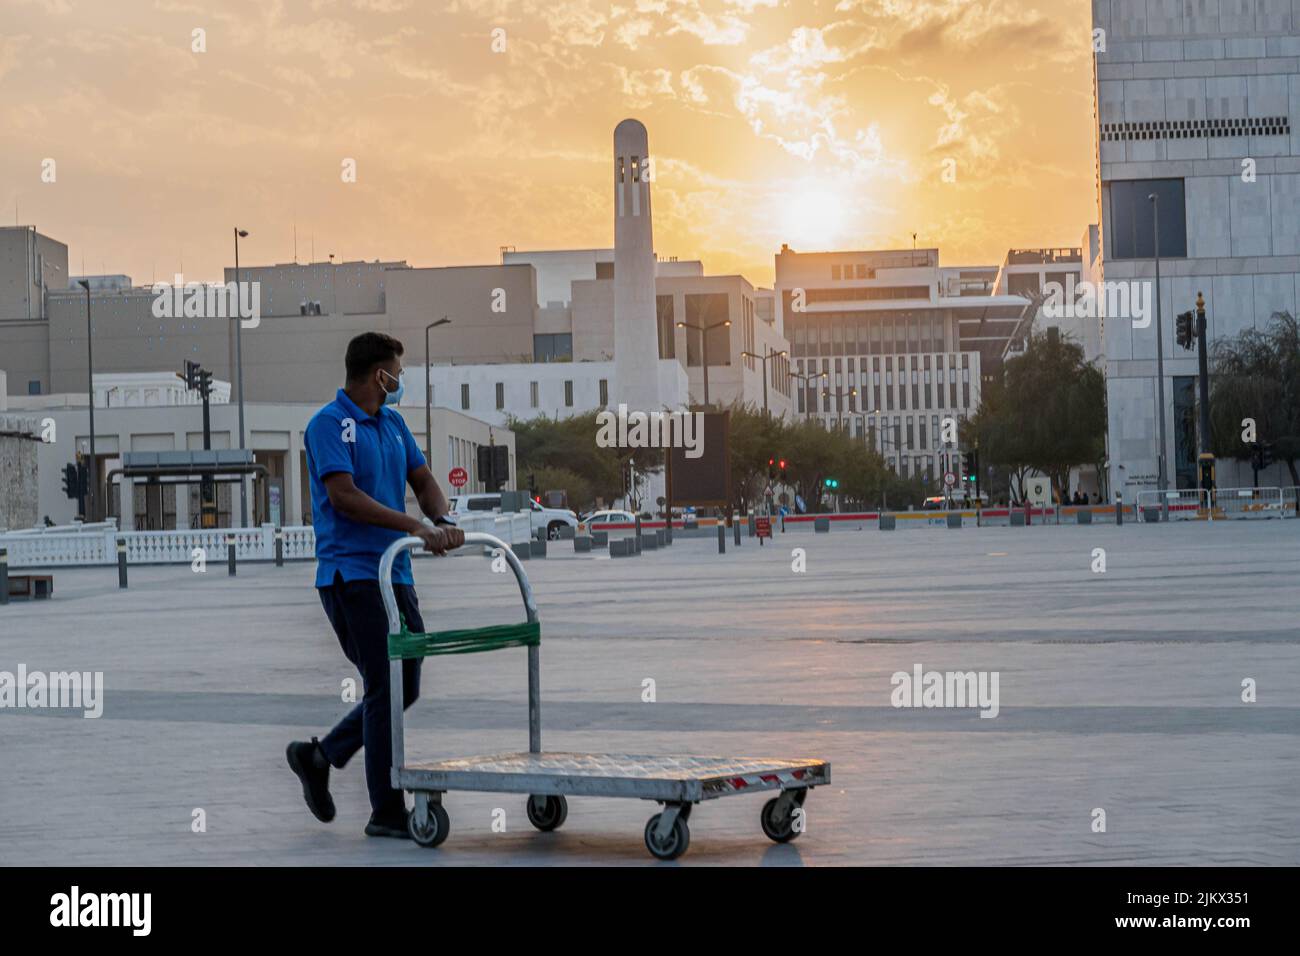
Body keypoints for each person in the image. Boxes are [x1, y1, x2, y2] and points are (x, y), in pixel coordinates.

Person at [287, 332, 465, 839]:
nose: (400, 382)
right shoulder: (329, 425)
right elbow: (343, 496)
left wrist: (441, 516)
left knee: (404, 684)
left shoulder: (393, 423)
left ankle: (319, 757)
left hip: (395, 574)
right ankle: (386, 810)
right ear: (375, 374)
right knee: (385, 685)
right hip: (353, 576)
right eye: (396, 373)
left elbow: (423, 479)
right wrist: (413, 527)